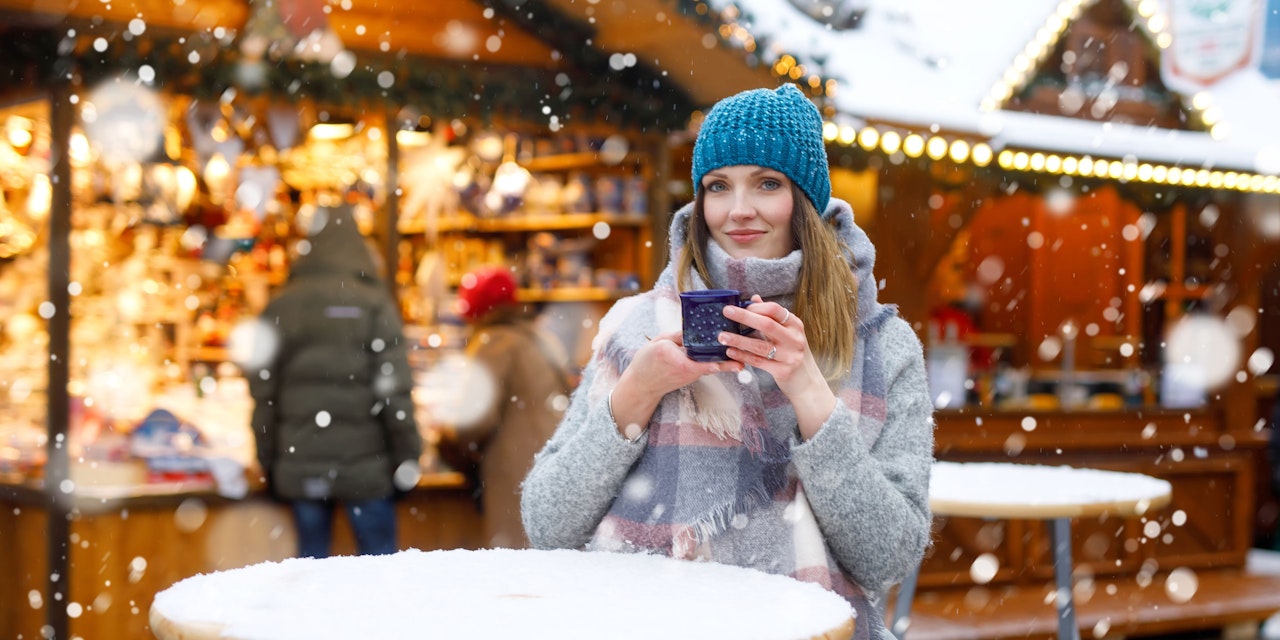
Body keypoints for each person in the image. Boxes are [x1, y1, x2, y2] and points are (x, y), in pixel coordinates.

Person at [521, 84, 935, 640]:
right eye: (718, 187)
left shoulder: (882, 347)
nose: (738, 211)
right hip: (638, 624)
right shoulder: (636, 325)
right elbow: (547, 524)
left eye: (767, 183)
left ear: (805, 202)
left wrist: (809, 391)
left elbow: (888, 558)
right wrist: (636, 393)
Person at [246, 201, 422, 558]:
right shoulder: (374, 304)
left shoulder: (282, 306)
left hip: (301, 465)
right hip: (366, 469)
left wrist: (268, 461)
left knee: (310, 575)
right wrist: (408, 456)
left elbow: (263, 395)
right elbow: (395, 393)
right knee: (380, 576)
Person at [440, 265, 573, 548]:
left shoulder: (494, 342)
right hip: (553, 467)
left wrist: (446, 439)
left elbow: (473, 422)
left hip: (517, 473)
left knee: (515, 564)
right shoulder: (538, 336)